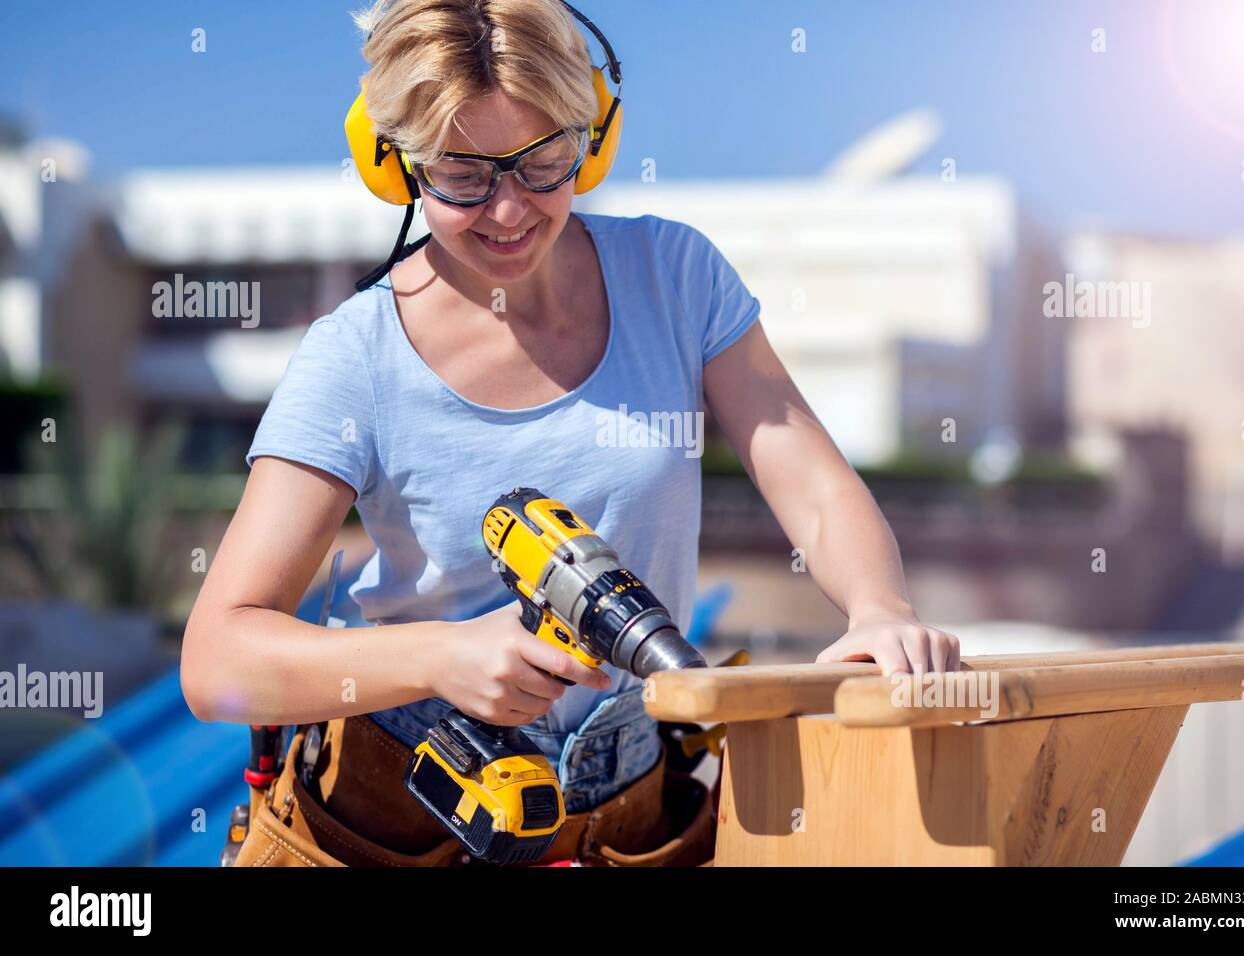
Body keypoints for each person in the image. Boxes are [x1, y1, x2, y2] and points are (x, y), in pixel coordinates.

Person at [180, 0, 960, 866]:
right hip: (398, 819)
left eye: (543, 161)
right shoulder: (354, 358)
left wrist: (880, 608)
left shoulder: (676, 277)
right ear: (395, 166)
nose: (509, 210)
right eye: (463, 176)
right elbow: (216, 661)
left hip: (634, 814)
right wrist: (441, 657)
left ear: (594, 136)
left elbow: (807, 477)